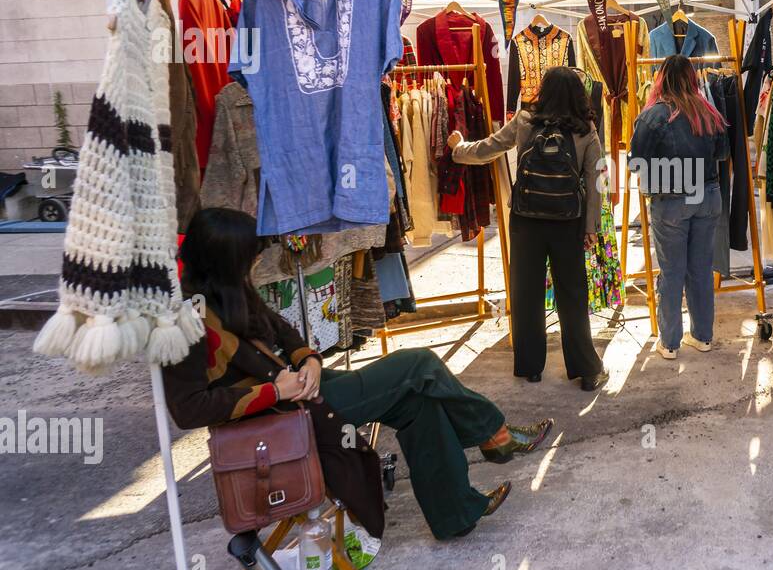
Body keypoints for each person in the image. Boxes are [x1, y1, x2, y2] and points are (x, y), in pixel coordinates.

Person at [163, 207, 553, 542]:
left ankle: (457, 515)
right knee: (419, 364)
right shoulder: (186, 322)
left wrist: (310, 358)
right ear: (225, 261)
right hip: (282, 420)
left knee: (419, 402)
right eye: (247, 259)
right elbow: (188, 409)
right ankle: (494, 433)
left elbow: (281, 330)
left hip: (298, 393)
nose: (254, 265)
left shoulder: (229, 293)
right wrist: (274, 392)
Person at [450, 66, 608, 391]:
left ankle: (531, 366)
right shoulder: (585, 130)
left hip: (526, 220)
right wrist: (591, 227)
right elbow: (596, 182)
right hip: (568, 221)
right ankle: (585, 369)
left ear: (545, 92)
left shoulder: (524, 122)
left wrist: (457, 148)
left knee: (526, 293)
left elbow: (487, 149)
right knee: (573, 295)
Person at [629, 53, 727, 359]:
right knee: (700, 269)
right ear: (692, 78)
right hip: (708, 195)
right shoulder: (709, 111)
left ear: (661, 78)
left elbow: (636, 163)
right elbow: (722, 154)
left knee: (671, 272)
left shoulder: (654, 115)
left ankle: (669, 343)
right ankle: (703, 336)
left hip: (671, 199)